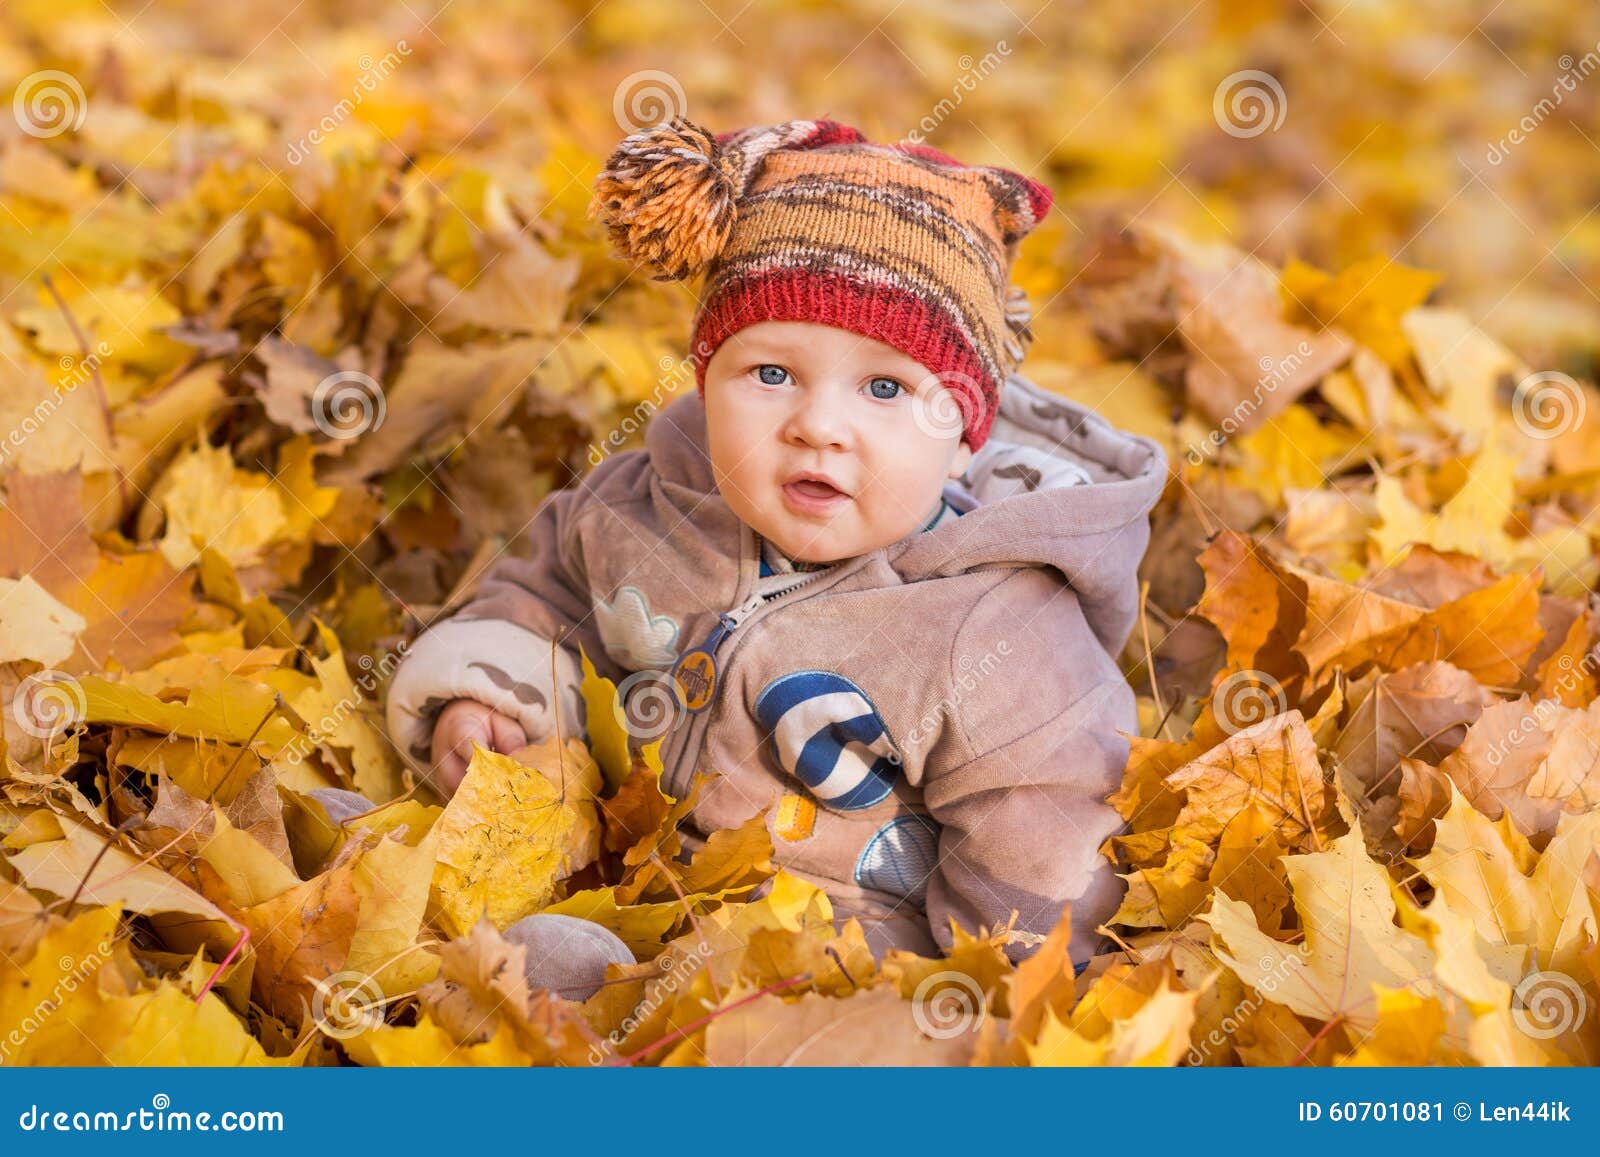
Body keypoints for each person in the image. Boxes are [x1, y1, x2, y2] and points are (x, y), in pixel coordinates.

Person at [383, 115, 1166, 997]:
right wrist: (492, 697)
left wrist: (977, 997)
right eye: (770, 373)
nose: (818, 426)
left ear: (961, 439)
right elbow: (548, 590)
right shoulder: (649, 504)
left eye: (884, 387)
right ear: (706, 380)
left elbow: (1044, 830)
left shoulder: (1000, 627)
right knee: (409, 886)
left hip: (833, 956)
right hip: (614, 854)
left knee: (674, 1010)